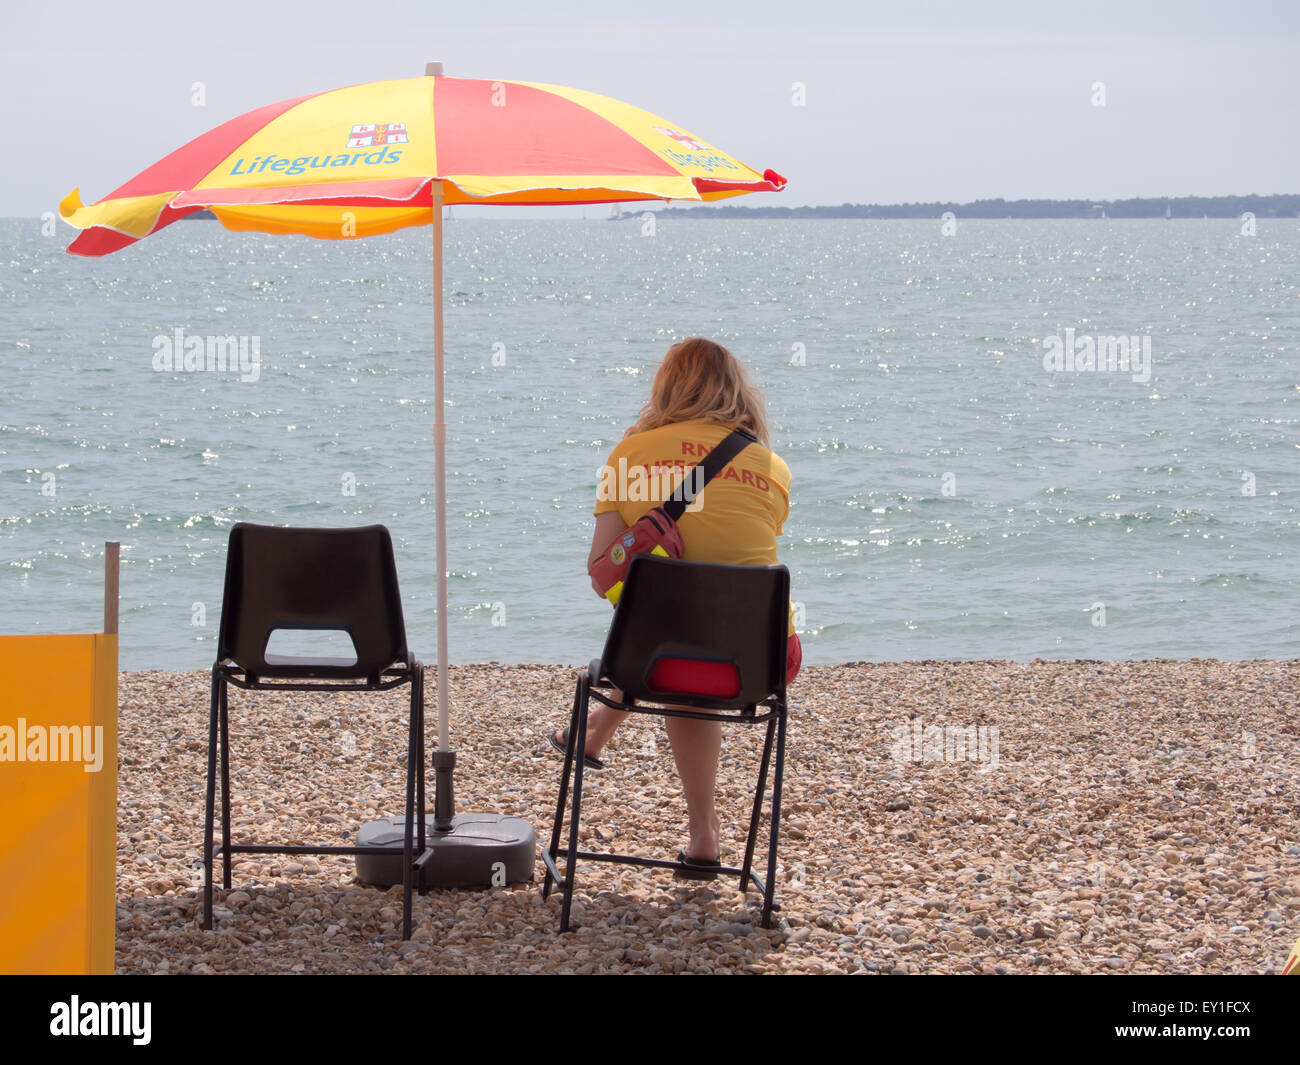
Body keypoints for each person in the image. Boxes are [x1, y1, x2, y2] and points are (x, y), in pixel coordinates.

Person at [551, 337, 800, 876]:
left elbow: (601, 573)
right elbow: (739, 558)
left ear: (665, 388)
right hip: (763, 660)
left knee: (671, 631)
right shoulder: (773, 468)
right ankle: (699, 833)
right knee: (696, 626)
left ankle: (697, 826)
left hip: (657, 656)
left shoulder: (628, 455)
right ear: (737, 390)